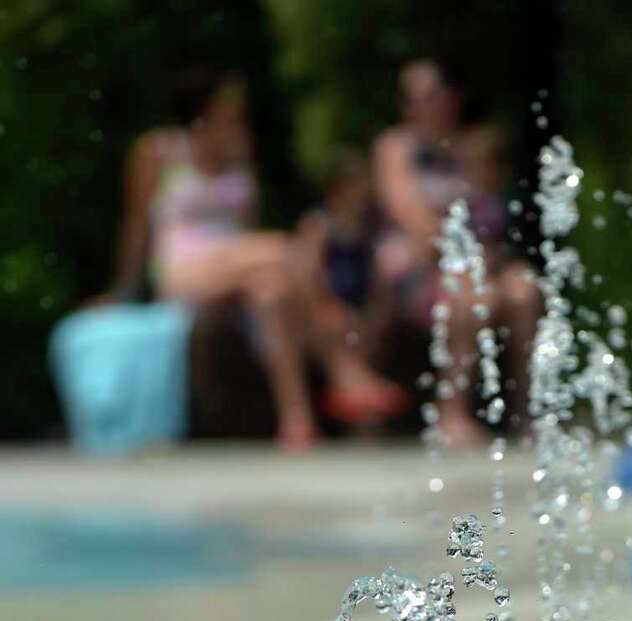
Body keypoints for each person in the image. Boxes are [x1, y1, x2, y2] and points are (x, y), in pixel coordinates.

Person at [106, 69, 401, 446]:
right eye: (229, 99)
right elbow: (137, 225)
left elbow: (246, 222)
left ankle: (296, 421)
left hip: (240, 264)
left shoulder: (238, 149)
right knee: (281, 249)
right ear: (206, 104)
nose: (239, 106)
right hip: (185, 268)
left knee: (271, 292)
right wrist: (122, 291)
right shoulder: (158, 150)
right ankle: (345, 368)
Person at [371, 58, 540, 446]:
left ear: (450, 98)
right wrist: (466, 256)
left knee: (525, 290)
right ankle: (452, 413)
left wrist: (485, 257)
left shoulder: (472, 147)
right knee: (469, 297)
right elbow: (410, 217)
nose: (419, 106)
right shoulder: (396, 148)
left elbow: (491, 213)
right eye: (410, 98)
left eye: (429, 96)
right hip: (418, 270)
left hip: (480, 261)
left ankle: (527, 413)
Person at [292, 147, 409, 426]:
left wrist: (375, 313)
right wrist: (326, 307)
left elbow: (378, 280)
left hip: (358, 311)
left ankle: (359, 392)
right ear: (336, 189)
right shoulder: (319, 226)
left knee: (363, 324)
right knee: (337, 323)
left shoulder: (369, 229)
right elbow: (307, 278)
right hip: (325, 314)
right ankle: (354, 382)